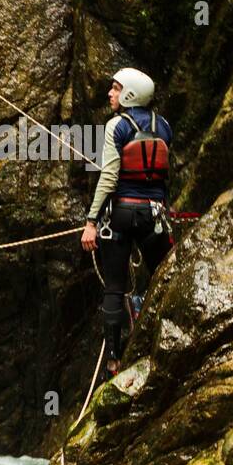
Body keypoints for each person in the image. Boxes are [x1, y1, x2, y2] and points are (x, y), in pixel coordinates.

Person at [79, 68, 174, 375]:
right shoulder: (165, 126)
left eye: (116, 88)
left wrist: (91, 221)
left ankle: (114, 360)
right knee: (163, 276)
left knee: (115, 287)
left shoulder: (117, 126)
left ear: (130, 94)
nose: (110, 93)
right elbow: (162, 174)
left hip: (121, 215)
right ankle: (163, 340)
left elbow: (109, 177)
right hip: (154, 215)